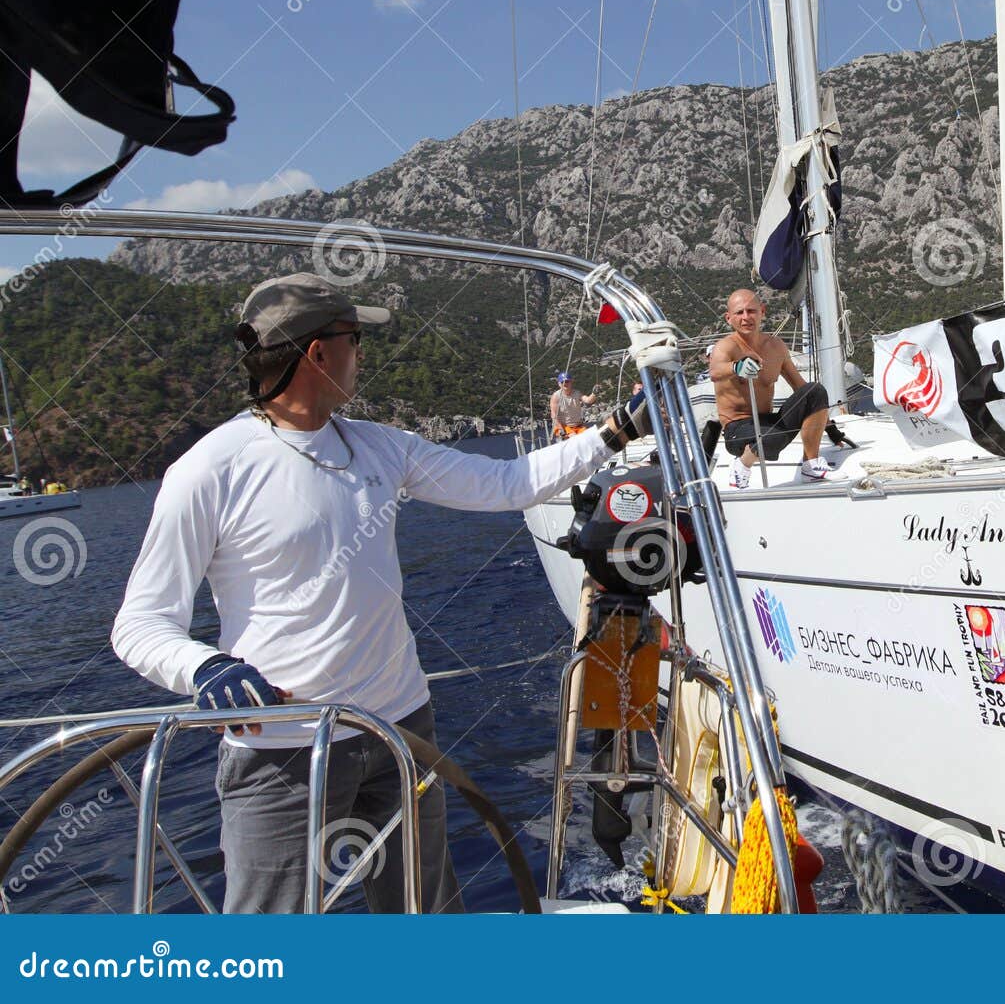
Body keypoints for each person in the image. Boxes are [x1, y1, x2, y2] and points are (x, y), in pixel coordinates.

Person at [111, 272, 651, 913]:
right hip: (284, 752)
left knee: (424, 921)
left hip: (401, 731)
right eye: (354, 340)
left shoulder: (377, 446)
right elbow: (140, 623)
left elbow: (505, 483)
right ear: (317, 353)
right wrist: (205, 667)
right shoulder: (210, 468)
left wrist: (615, 431)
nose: (361, 354)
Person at [709, 288, 830, 489]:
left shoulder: (776, 346)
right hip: (737, 428)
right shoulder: (725, 347)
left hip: (768, 421)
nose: (746, 317)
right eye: (739, 313)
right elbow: (715, 371)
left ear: (762, 311)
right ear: (728, 318)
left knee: (814, 390)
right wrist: (736, 367)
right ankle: (741, 465)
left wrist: (829, 426)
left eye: (751, 311)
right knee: (771, 436)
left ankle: (810, 465)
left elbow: (800, 387)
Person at [549, 371, 596, 438]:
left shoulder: (577, 393)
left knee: (589, 437)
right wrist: (561, 430)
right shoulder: (556, 397)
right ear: (559, 384)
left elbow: (588, 400)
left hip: (578, 426)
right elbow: (554, 416)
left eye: (567, 381)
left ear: (571, 382)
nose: (565, 384)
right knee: (574, 437)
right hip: (564, 427)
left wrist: (594, 394)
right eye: (562, 382)